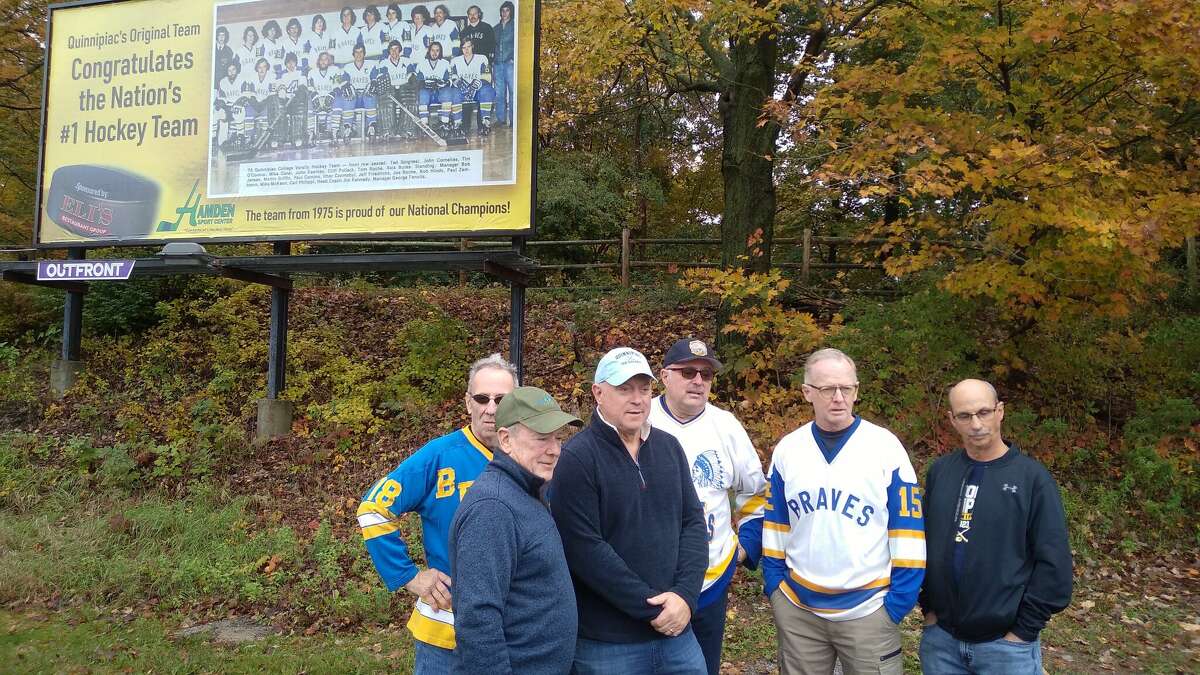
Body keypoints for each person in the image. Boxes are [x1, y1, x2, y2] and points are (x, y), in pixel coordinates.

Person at [763, 348, 925, 675]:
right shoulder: (789, 450)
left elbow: (908, 533)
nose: (838, 398)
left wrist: (896, 605)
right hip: (799, 610)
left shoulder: (885, 448)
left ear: (856, 391)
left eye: (846, 389)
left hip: (869, 610)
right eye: (827, 389)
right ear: (807, 392)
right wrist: (774, 587)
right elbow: (775, 527)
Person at [549, 347, 708, 674]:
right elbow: (585, 550)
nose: (637, 399)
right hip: (608, 644)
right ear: (598, 392)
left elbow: (692, 523)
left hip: (677, 633)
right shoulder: (577, 459)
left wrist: (684, 597)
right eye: (624, 389)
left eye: (644, 389)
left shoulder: (669, 448)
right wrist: (653, 609)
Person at [358, 354, 518, 675]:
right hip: (448, 636)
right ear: (467, 403)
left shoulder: (533, 454)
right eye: (482, 398)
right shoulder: (440, 455)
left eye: (502, 399)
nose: (491, 408)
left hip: (517, 631)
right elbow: (373, 509)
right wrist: (409, 576)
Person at [917, 379, 1073, 675]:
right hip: (942, 641)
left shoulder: (1031, 478)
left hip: (1005, 648)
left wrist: (1023, 631)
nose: (976, 424)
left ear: (1000, 411)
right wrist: (929, 610)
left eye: (984, 412)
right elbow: (922, 543)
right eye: (965, 415)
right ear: (952, 420)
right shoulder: (941, 472)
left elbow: (1055, 565)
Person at [648, 338, 767, 675]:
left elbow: (756, 494)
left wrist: (743, 550)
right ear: (665, 376)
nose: (698, 381)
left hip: (709, 580)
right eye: (688, 371)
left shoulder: (725, 426)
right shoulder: (642, 418)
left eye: (707, 374)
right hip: (650, 584)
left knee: (702, 668)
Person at [450, 387, 583, 674]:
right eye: (541, 438)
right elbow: (477, 618)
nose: (555, 449)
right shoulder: (493, 507)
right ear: (506, 439)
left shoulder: (529, 490)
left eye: (558, 438)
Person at [449, 37, 496, 134]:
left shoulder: (482, 58)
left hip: (477, 91)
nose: (466, 50)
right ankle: (457, 123)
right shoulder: (455, 60)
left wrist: (476, 85)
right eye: (464, 47)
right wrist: (458, 82)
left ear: (472, 46)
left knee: (487, 90)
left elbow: (487, 78)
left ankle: (485, 122)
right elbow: (453, 77)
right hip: (463, 91)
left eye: (468, 47)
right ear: (461, 49)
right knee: (454, 92)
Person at [375, 39, 418, 139]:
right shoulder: (384, 63)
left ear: (400, 50)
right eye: (391, 49)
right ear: (388, 51)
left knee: (410, 101)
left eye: (396, 49)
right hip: (390, 89)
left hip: (404, 88)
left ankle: (407, 129)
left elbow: (412, 74)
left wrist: (412, 78)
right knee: (386, 102)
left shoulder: (406, 61)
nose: (394, 52)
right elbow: (382, 76)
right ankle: (388, 130)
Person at [336, 43, 378, 139]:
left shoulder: (371, 65)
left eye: (361, 52)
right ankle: (348, 128)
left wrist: (372, 85)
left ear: (364, 54)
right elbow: (344, 82)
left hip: (366, 96)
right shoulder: (347, 67)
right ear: (353, 54)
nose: (358, 55)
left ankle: (371, 127)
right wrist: (346, 86)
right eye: (356, 52)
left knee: (370, 93)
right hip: (354, 98)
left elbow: (374, 80)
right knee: (348, 94)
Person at [416, 41, 453, 130]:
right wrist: (425, 83)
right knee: (423, 94)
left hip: (439, 93)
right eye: (432, 50)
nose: (435, 53)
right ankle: (424, 124)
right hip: (427, 93)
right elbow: (419, 81)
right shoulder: (422, 63)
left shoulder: (445, 63)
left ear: (440, 52)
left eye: (437, 51)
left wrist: (443, 83)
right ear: (429, 51)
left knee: (447, 92)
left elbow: (448, 81)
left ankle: (444, 122)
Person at [492, 1, 514, 127]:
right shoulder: (495, 29)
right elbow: (492, 46)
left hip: (509, 64)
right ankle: (501, 119)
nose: (504, 13)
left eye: (507, 10)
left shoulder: (515, 26)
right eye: (503, 10)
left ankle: (513, 120)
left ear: (511, 12)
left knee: (512, 92)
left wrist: (513, 58)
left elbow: (520, 44)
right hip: (497, 64)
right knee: (499, 93)